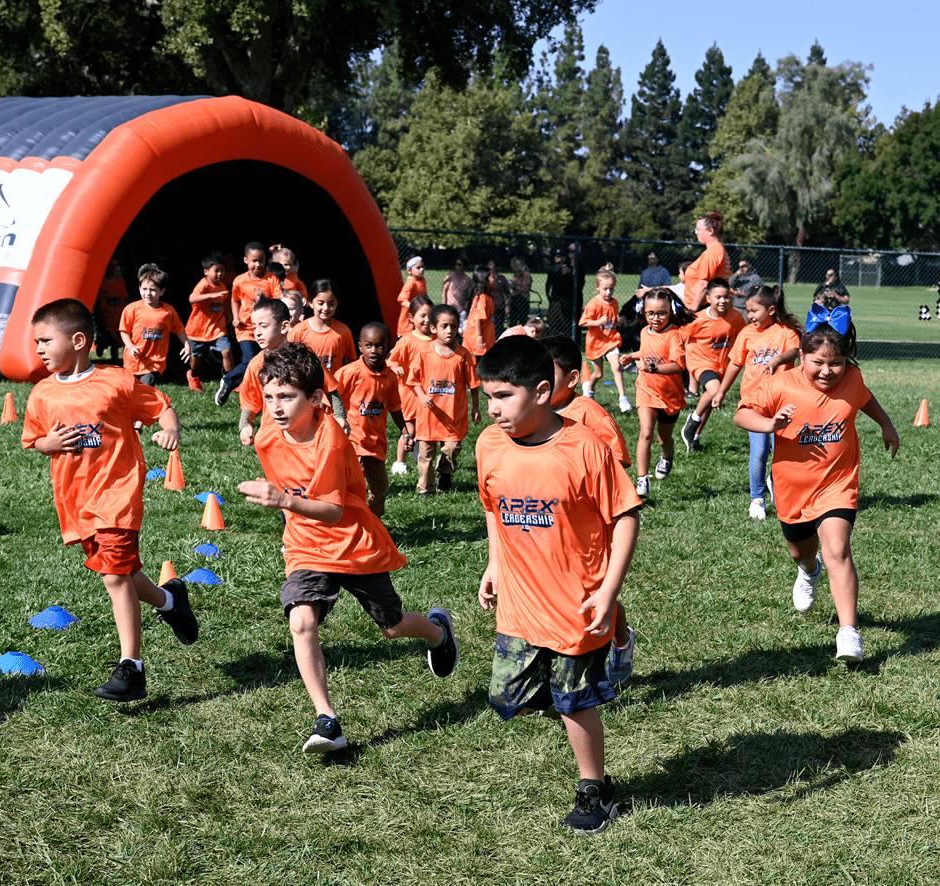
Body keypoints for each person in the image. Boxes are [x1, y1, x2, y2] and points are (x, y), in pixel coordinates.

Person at [238, 343, 460, 753]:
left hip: (352, 542)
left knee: (392, 628)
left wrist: (283, 500)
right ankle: (327, 719)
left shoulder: (331, 440)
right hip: (305, 547)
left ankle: (437, 632)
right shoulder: (269, 433)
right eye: (269, 397)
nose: (276, 407)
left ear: (317, 399)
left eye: (287, 397)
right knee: (302, 622)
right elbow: (255, 387)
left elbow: (333, 510)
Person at [476, 335, 641, 835]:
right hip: (521, 604)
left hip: (576, 601)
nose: (493, 409)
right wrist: (494, 564)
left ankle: (595, 788)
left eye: (504, 396)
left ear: (543, 391)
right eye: (487, 397)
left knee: (574, 700)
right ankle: (589, 686)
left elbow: (626, 517)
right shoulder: (489, 445)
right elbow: (493, 507)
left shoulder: (584, 448)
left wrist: (608, 591)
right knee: (507, 697)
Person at [22, 299, 199, 701]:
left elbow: (161, 406)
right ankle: (170, 600)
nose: (39, 349)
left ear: (79, 340)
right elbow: (35, 440)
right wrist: (49, 442)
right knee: (118, 570)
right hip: (77, 503)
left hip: (118, 495)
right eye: (37, 342)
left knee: (114, 575)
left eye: (46, 340)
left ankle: (131, 668)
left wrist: (170, 432)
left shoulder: (116, 382)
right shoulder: (42, 394)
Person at [733, 304, 899, 662]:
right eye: (818, 363)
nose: (827, 371)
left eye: (835, 363)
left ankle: (848, 634)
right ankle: (809, 571)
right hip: (792, 489)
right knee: (801, 551)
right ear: (802, 356)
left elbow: (865, 399)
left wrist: (886, 424)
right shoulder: (779, 384)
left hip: (838, 483)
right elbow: (742, 412)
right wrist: (770, 425)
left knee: (837, 547)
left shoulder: (852, 379)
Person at [541, 334, 637, 686]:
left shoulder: (589, 414)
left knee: (594, 590)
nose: (540, 381)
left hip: (593, 525)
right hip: (550, 521)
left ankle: (618, 644)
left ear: (571, 379)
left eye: (549, 374)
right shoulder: (533, 416)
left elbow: (616, 468)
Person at [712, 285, 803, 520]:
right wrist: (721, 391)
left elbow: (795, 351)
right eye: (748, 311)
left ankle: (778, 484)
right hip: (754, 403)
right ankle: (757, 499)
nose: (750, 316)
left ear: (771, 310)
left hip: (783, 403)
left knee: (783, 453)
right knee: (759, 451)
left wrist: (777, 360)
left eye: (754, 311)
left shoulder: (786, 330)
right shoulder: (746, 333)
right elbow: (734, 363)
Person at [619, 288, 694, 499]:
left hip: (669, 395)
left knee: (664, 439)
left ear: (671, 311)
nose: (655, 318)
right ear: (644, 312)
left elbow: (678, 365)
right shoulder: (644, 332)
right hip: (646, 389)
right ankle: (642, 479)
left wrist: (651, 368)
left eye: (661, 313)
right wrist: (632, 357)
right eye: (651, 313)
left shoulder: (674, 335)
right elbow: (648, 352)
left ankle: (667, 456)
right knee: (645, 433)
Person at [334, 323, 409, 517]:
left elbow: (394, 406)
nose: (374, 350)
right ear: (360, 347)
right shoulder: (348, 373)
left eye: (379, 345)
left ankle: (373, 521)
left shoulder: (390, 377)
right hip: (353, 443)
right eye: (368, 345)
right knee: (354, 489)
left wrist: (405, 430)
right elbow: (330, 397)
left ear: (388, 347)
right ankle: (352, 525)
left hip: (376, 444)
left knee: (380, 489)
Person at [407, 303, 481, 496]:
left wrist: (476, 407)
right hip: (429, 415)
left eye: (454, 326)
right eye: (444, 326)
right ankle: (425, 488)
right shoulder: (424, 353)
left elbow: (473, 384)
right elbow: (413, 380)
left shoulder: (463, 355)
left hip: (453, 414)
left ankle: (445, 471)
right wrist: (422, 396)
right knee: (426, 454)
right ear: (433, 328)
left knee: (453, 447)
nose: (450, 331)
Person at [679, 278, 747, 453]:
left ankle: (694, 437)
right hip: (700, 362)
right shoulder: (698, 319)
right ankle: (692, 421)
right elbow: (678, 336)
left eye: (726, 297)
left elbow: (745, 336)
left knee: (711, 400)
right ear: (708, 298)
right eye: (718, 297)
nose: (722, 301)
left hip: (721, 365)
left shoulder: (736, 317)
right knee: (715, 391)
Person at [218, 242, 283, 405]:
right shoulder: (240, 281)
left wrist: (264, 299)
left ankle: (259, 393)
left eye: (261, 261)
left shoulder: (271, 279)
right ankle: (229, 379)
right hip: (246, 328)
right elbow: (235, 300)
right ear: (245, 260)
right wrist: (235, 317)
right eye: (254, 261)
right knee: (250, 359)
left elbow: (279, 302)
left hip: (266, 328)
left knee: (265, 362)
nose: (258, 264)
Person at [118, 264, 190, 386]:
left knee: (146, 388)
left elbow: (179, 330)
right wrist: (130, 347)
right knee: (130, 391)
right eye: (144, 289)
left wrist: (187, 346)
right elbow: (124, 331)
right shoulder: (132, 309)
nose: (148, 293)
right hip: (133, 361)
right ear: (139, 289)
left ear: (162, 291)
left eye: (152, 290)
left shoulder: (168, 311)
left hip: (154, 362)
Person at [237, 297, 295, 447]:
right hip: (272, 438)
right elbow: (250, 402)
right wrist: (244, 425)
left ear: (284, 327)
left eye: (263, 326)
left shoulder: (303, 358)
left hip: (305, 436)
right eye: (254, 327)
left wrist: (340, 417)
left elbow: (328, 389)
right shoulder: (256, 364)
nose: (257, 333)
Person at [388, 295, 434, 475]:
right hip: (408, 393)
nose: (426, 320)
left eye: (430, 315)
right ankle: (399, 462)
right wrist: (396, 367)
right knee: (410, 429)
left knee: (426, 429)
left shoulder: (436, 340)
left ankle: (419, 454)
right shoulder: (406, 340)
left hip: (428, 393)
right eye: (422, 315)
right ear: (411, 318)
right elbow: (390, 361)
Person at [578, 264, 632, 413]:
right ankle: (589, 388)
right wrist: (598, 323)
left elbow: (612, 320)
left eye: (612, 289)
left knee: (617, 367)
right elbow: (583, 322)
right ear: (597, 287)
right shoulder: (593, 304)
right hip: (596, 342)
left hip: (611, 340)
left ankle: (623, 399)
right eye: (605, 289)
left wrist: (617, 321)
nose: (609, 292)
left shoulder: (614, 303)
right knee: (598, 374)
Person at [288, 279, 357, 395]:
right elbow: (288, 363)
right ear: (310, 302)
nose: (326, 308)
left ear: (337, 303)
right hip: (306, 392)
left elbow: (351, 365)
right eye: (321, 303)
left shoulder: (343, 332)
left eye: (331, 304)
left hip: (334, 393)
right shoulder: (298, 332)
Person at [185, 251, 235, 391]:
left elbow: (225, 304)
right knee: (196, 358)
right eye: (217, 271)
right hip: (198, 329)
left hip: (217, 328)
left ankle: (230, 381)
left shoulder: (223, 287)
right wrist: (211, 295)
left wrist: (230, 320)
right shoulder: (203, 285)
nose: (220, 274)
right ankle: (194, 375)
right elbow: (191, 299)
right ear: (206, 272)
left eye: (222, 270)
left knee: (227, 351)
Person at [680, 211, 732, 311]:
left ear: (711, 231)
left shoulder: (712, 253)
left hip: (701, 309)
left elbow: (703, 284)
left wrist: (692, 311)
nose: (696, 232)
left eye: (698, 229)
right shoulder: (720, 250)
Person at [93, 258, 128, 361]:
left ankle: (115, 363)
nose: (111, 269)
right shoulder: (100, 282)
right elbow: (98, 300)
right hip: (105, 316)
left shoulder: (120, 281)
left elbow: (124, 296)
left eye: (113, 267)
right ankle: (103, 342)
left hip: (119, 315)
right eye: (109, 267)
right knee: (116, 342)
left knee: (116, 344)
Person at [463, 265, 496, 358]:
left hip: (486, 340)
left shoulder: (485, 297)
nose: (495, 279)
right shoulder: (483, 298)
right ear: (485, 281)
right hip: (478, 343)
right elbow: (477, 319)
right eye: (492, 277)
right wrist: (479, 337)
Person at [544, 249, 578, 341]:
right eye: (555, 256)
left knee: (565, 321)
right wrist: (547, 293)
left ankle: (567, 339)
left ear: (564, 257)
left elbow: (572, 284)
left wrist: (568, 274)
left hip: (566, 299)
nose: (556, 258)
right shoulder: (552, 269)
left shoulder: (569, 269)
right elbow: (548, 282)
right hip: (555, 298)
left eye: (559, 256)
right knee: (552, 320)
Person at [270, 245, 307, 325]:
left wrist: (303, 297)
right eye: (286, 265)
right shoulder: (272, 276)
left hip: (292, 309)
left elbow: (302, 288)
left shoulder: (293, 277)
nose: (289, 267)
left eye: (290, 264)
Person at [396, 256, 428, 337]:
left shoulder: (422, 280)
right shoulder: (410, 283)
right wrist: (416, 308)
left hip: (418, 318)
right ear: (409, 271)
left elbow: (425, 295)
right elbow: (402, 300)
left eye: (422, 267)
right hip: (407, 321)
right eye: (418, 268)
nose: (421, 269)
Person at [440, 256, 474, 331]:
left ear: (464, 266)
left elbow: (469, 295)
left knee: (461, 330)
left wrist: (465, 307)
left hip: (461, 309)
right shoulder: (450, 276)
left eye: (459, 264)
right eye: (456, 264)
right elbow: (444, 291)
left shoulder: (467, 279)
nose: (457, 266)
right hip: (450, 307)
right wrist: (445, 305)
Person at [487, 259, 511, 334]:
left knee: (499, 327)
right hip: (489, 307)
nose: (491, 266)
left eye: (492, 264)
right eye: (489, 264)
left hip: (500, 307)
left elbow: (507, 293)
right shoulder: (486, 279)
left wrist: (508, 305)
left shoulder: (502, 278)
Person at [508, 256, 534, 327]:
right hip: (515, 299)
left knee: (522, 322)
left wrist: (514, 287)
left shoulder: (526, 274)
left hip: (523, 300)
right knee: (512, 321)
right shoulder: (516, 274)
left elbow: (526, 288)